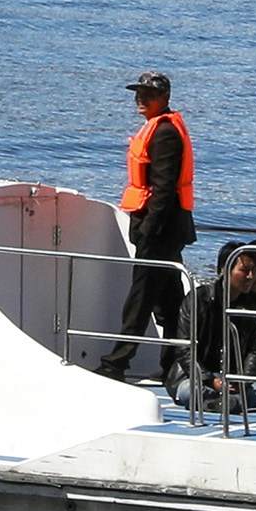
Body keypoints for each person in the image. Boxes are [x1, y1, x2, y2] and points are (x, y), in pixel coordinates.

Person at [96, 71, 199, 388]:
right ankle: (173, 364)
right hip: (164, 228)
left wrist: (148, 231)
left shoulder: (165, 133)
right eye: (138, 93)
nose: (141, 99)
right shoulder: (158, 127)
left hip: (160, 231)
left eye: (148, 94)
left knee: (140, 299)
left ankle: (117, 362)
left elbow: (164, 189)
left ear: (164, 97)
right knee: (168, 302)